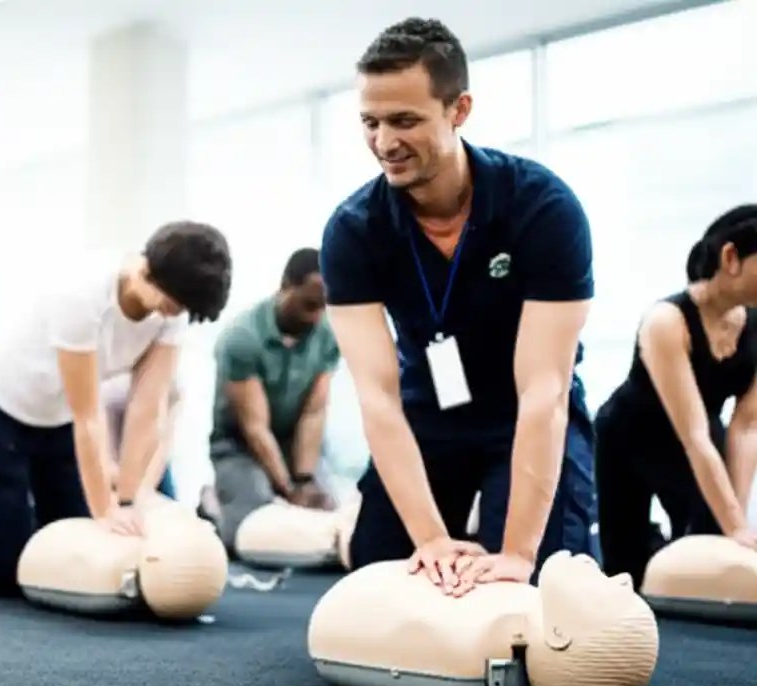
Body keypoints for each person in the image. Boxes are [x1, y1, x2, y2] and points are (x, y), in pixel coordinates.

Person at [321, 18, 597, 596]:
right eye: (370, 122)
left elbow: (544, 391)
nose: (384, 142)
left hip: (523, 414)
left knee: (544, 590)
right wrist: (430, 540)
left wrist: (520, 555)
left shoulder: (543, 209)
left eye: (405, 120)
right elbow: (377, 396)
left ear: (459, 109)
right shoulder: (353, 232)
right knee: (380, 579)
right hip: (428, 411)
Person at [0, 220, 232, 597]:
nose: (170, 315)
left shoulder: (172, 314)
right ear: (145, 273)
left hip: (55, 420)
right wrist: (106, 511)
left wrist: (127, 500)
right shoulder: (84, 293)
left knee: (69, 548)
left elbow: (147, 410)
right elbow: (89, 416)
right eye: (171, 304)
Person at [595, 206, 757, 589]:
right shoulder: (666, 320)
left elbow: (747, 428)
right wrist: (733, 524)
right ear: (731, 258)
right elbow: (693, 435)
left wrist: (735, 526)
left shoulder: (754, 327)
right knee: (625, 569)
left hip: (701, 436)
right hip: (629, 439)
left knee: (710, 547)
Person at [206, 247, 341, 551]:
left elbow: (313, 413)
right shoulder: (241, 338)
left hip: (296, 445)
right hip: (240, 447)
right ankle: (214, 506)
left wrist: (304, 480)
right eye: (309, 304)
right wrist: (288, 489)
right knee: (251, 531)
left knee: (330, 515)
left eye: (323, 306)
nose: (316, 315)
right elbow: (255, 428)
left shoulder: (328, 335)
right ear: (285, 286)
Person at [100, 370, 180, 499]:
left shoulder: (170, 379)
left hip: (150, 456)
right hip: (106, 450)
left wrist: (145, 489)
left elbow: (163, 440)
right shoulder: (110, 387)